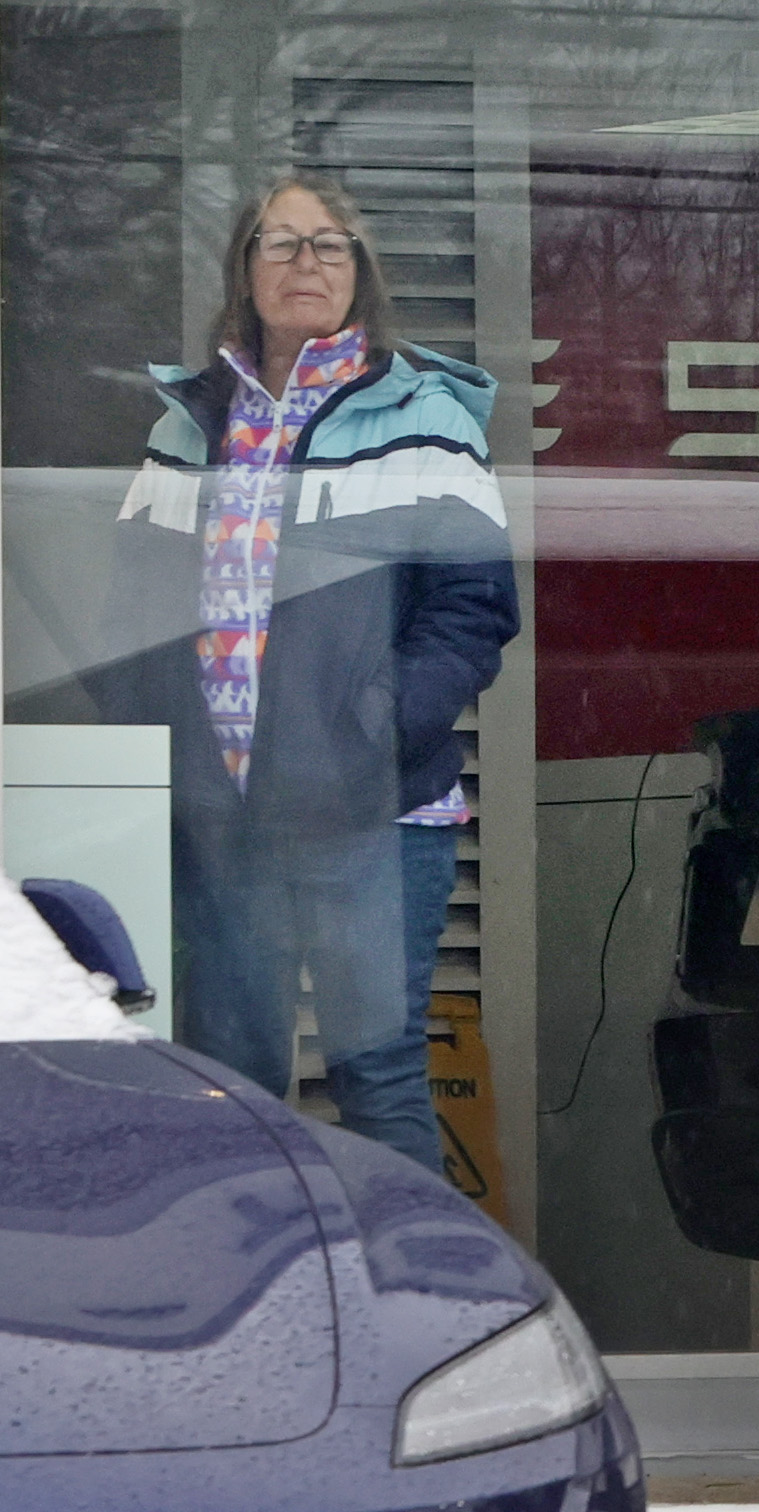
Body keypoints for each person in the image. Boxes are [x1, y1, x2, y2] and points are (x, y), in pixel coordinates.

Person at [81, 174, 517, 1177]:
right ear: (245, 271)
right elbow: (126, 626)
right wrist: (177, 762)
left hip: (372, 815)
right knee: (232, 1081)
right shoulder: (186, 427)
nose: (304, 263)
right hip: (228, 821)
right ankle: (256, 1311)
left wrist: (366, 734)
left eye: (328, 244)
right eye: (278, 243)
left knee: (380, 1076)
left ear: (361, 273)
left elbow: (472, 612)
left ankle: (415, 1314)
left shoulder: (428, 418)